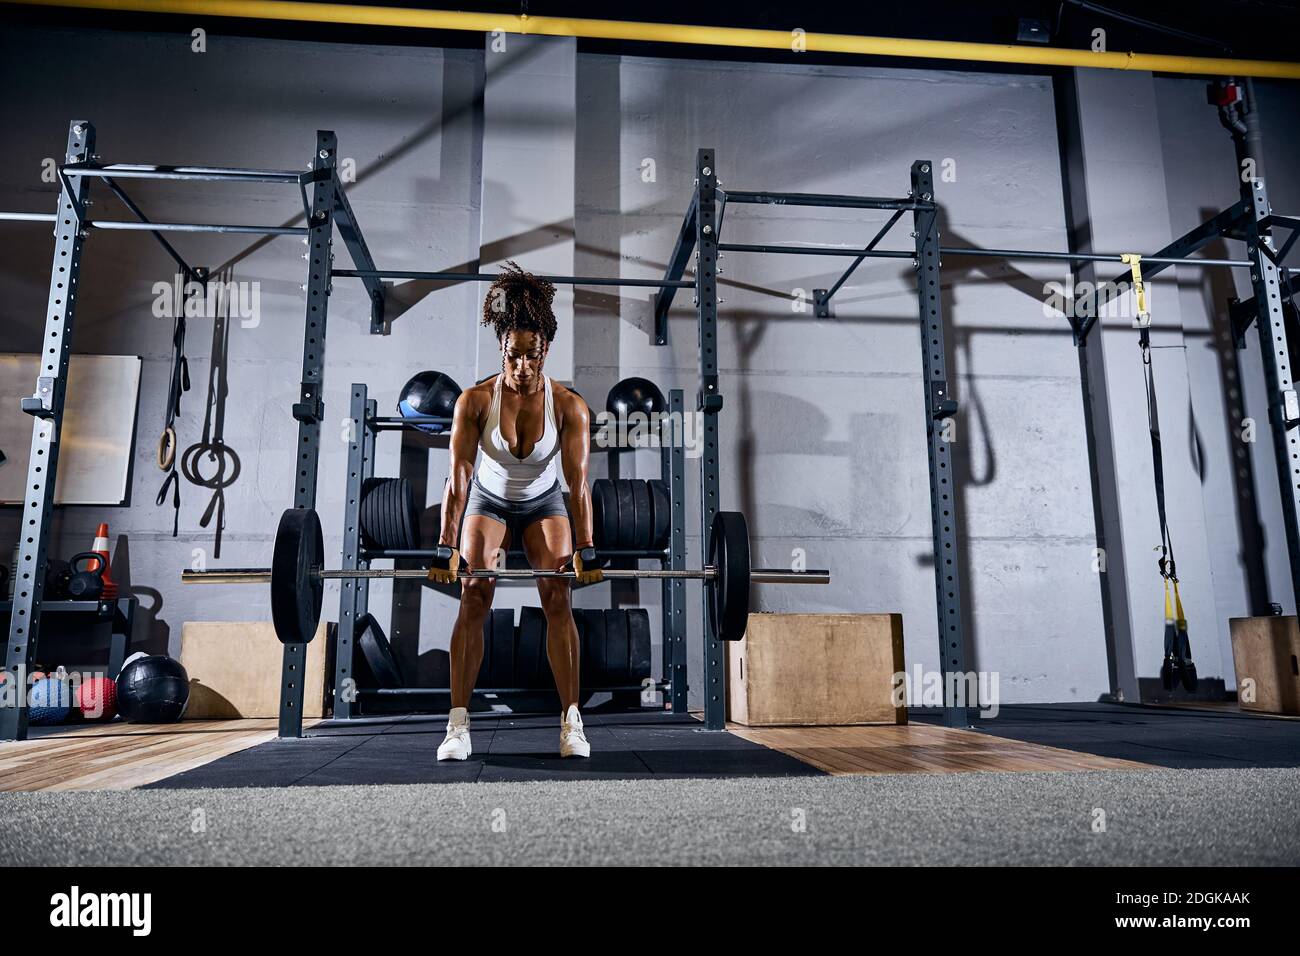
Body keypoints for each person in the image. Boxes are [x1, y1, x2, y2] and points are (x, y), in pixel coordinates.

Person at [430, 261, 603, 761]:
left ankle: (572, 722)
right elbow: (459, 478)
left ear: (546, 348)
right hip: (489, 497)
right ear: (501, 347)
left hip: (544, 500)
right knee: (475, 593)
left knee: (557, 597)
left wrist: (586, 550)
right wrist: (445, 546)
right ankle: (457, 725)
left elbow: (577, 483)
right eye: (513, 356)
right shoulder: (474, 400)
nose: (522, 367)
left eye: (532, 356)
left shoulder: (570, 407)